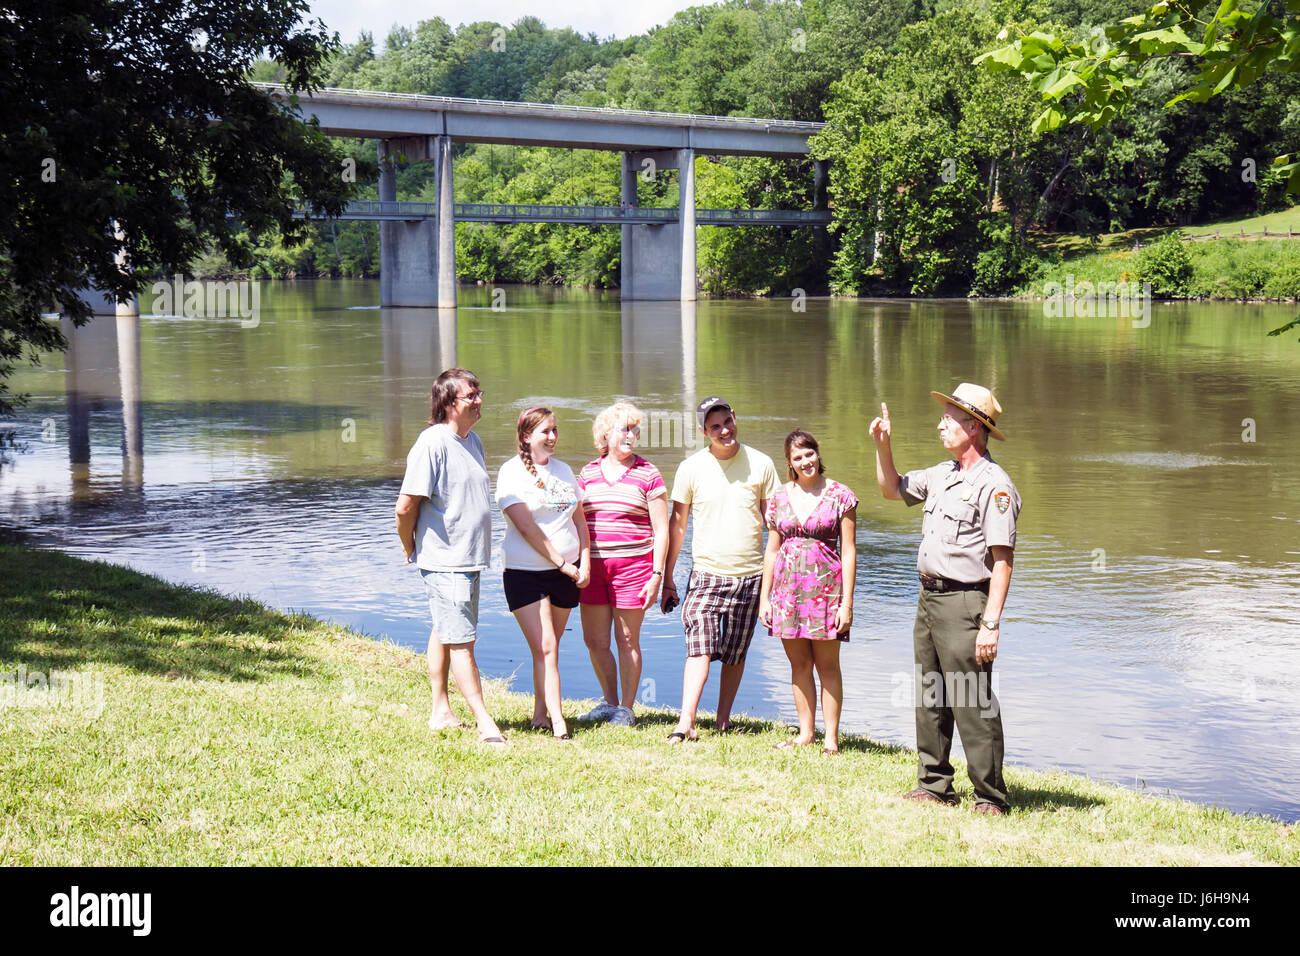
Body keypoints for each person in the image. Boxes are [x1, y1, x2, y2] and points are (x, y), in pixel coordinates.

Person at [869, 383, 1021, 814]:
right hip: (929, 600)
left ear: (973, 427)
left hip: (966, 602)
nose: (940, 425)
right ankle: (934, 785)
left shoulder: (995, 486)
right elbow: (891, 489)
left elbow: (1003, 561)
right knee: (930, 694)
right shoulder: (943, 473)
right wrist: (884, 446)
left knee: (972, 698)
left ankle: (990, 796)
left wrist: (990, 622)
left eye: (948, 419)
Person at [394, 368, 507, 748]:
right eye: (470, 395)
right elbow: (405, 506)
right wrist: (411, 547)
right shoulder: (432, 443)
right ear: (448, 404)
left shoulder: (472, 441)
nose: (478, 400)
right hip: (445, 559)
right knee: (462, 641)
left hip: (468, 557)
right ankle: (484, 722)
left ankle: (440, 710)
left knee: (445, 630)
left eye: (479, 392)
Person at [661, 397, 780, 743]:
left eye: (727, 421)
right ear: (704, 432)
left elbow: (774, 524)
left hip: (751, 575)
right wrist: (668, 578)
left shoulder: (761, 464)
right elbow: (678, 525)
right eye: (715, 426)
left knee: (734, 651)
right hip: (706, 574)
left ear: (734, 418)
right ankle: (686, 722)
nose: (724, 430)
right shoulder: (691, 468)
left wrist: (774, 583)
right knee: (698, 646)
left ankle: (723, 720)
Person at [758, 430, 857, 756]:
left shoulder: (841, 495)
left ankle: (831, 739)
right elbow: (771, 551)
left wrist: (847, 603)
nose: (805, 461)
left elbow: (850, 551)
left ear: (818, 453)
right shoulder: (779, 498)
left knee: (828, 666)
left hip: (827, 593)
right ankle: (805, 733)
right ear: (789, 463)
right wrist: (765, 598)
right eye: (797, 457)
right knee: (799, 664)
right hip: (787, 595)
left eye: (809, 453)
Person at [496, 406, 591, 741]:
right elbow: (527, 528)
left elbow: (579, 521)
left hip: (567, 574)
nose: (552, 437)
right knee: (546, 646)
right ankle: (559, 723)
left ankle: (539, 713)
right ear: (526, 437)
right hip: (526, 573)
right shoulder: (511, 473)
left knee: (548, 648)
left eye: (555, 430)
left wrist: (585, 561)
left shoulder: (564, 471)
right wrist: (562, 563)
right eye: (545, 432)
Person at [575, 402, 669, 728]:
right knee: (594, 640)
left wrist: (657, 575)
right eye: (624, 429)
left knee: (627, 639)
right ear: (606, 434)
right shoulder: (587, 473)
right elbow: (574, 520)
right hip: (594, 569)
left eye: (635, 429)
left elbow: (662, 530)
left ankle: (627, 709)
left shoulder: (648, 473)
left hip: (634, 569)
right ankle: (609, 701)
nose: (631, 435)